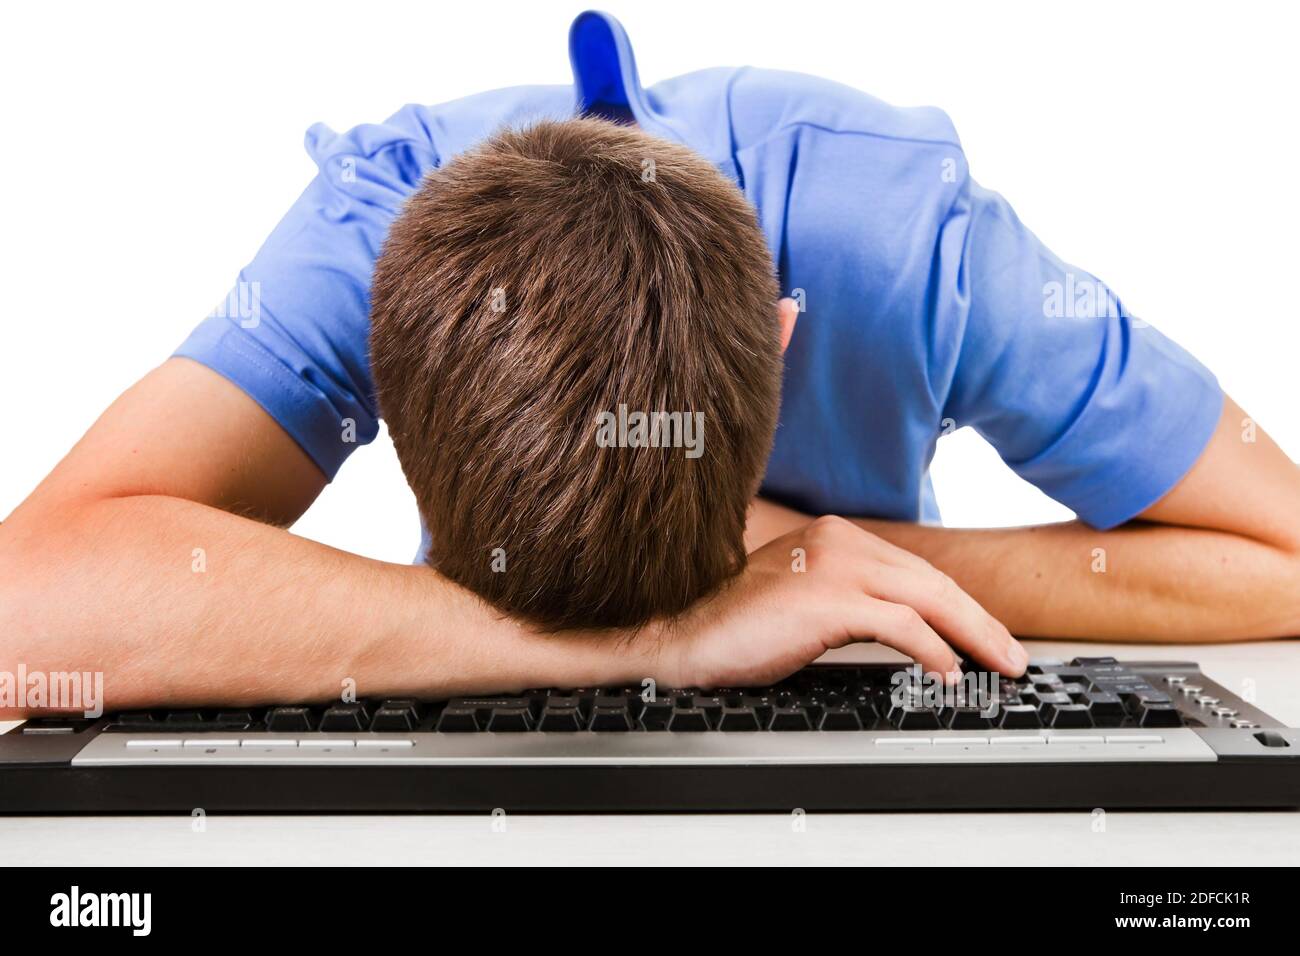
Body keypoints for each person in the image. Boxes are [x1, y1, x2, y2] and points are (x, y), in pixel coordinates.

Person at [3, 11, 1297, 713]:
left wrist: (821, 557)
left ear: (783, 343)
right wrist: (636, 645)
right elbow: (20, 612)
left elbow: (1288, 553)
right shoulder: (376, 229)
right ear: (382, 378)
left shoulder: (904, 235)